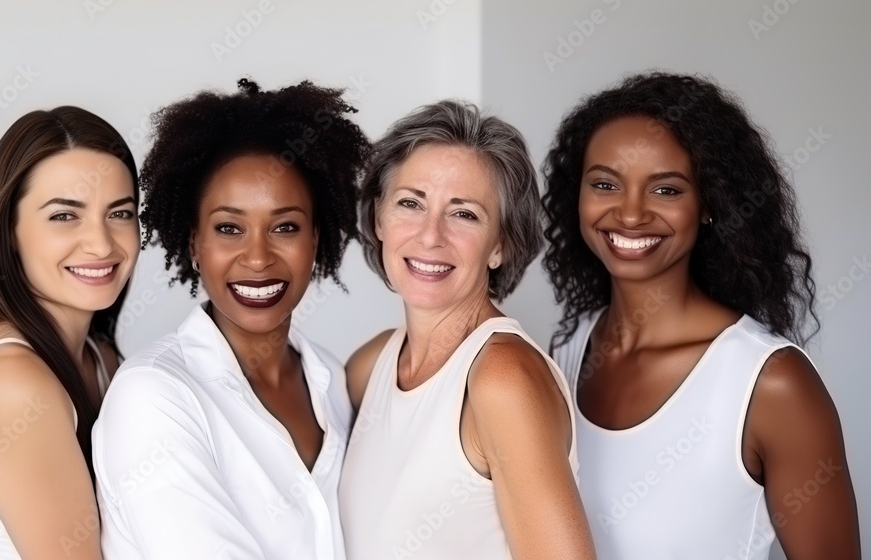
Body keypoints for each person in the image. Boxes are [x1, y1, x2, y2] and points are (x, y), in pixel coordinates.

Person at [541, 72, 860, 559]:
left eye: (666, 190)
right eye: (605, 184)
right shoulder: (565, 353)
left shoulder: (771, 384)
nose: (629, 215)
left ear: (709, 204)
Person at [92, 78, 371, 559]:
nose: (258, 258)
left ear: (315, 241)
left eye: (285, 227)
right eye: (229, 228)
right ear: (195, 244)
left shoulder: (332, 381)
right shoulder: (154, 396)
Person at [340, 100, 596, 559]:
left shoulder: (502, 377)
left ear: (500, 244)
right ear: (379, 218)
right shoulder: (371, 364)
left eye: (464, 214)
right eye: (410, 203)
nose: (430, 235)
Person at [0, 106, 140, 559]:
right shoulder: (12, 384)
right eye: (63, 216)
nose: (101, 243)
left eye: (120, 213)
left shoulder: (100, 357)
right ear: (9, 231)